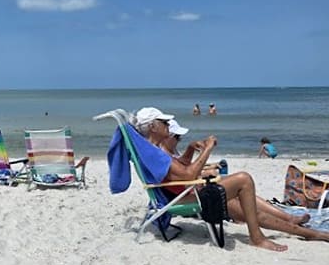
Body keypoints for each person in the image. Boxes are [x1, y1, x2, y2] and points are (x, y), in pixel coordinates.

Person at [133, 107, 329, 250]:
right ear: (152, 126)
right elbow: (187, 175)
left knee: (248, 207)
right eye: (164, 123)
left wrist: (195, 156)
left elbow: (179, 172)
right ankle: (260, 237)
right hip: (186, 196)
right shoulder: (155, 152)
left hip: (188, 191)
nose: (168, 126)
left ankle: (306, 232)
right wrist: (208, 148)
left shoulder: (152, 150)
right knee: (244, 179)